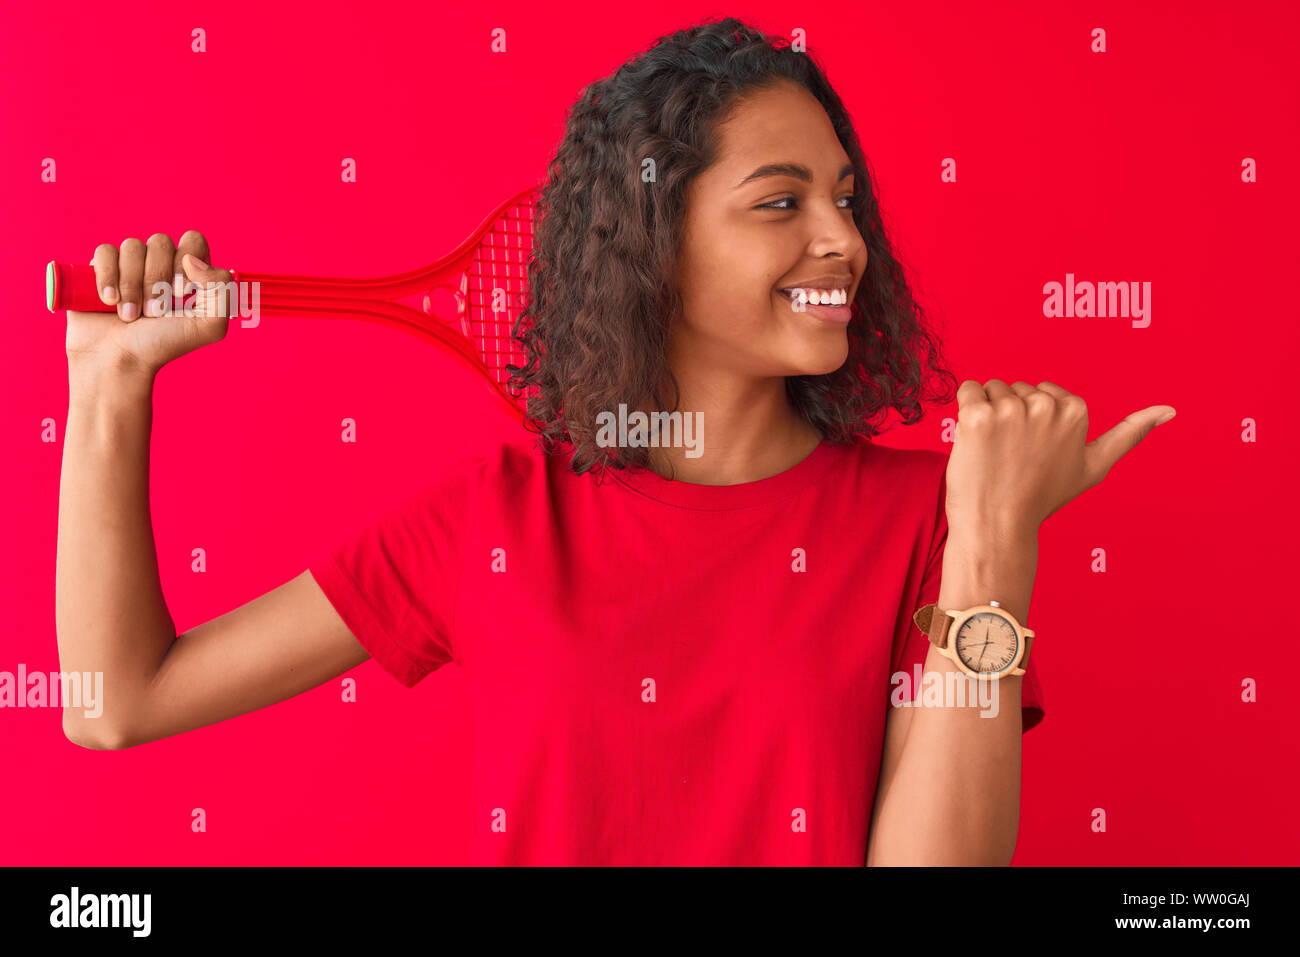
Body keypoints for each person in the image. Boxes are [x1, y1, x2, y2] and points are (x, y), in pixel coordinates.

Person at [55, 18, 1173, 865]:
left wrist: (992, 546)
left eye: (845, 197)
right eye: (780, 204)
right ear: (653, 244)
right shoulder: (494, 517)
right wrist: (108, 389)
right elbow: (120, 703)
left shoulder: (929, 518)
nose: (846, 241)